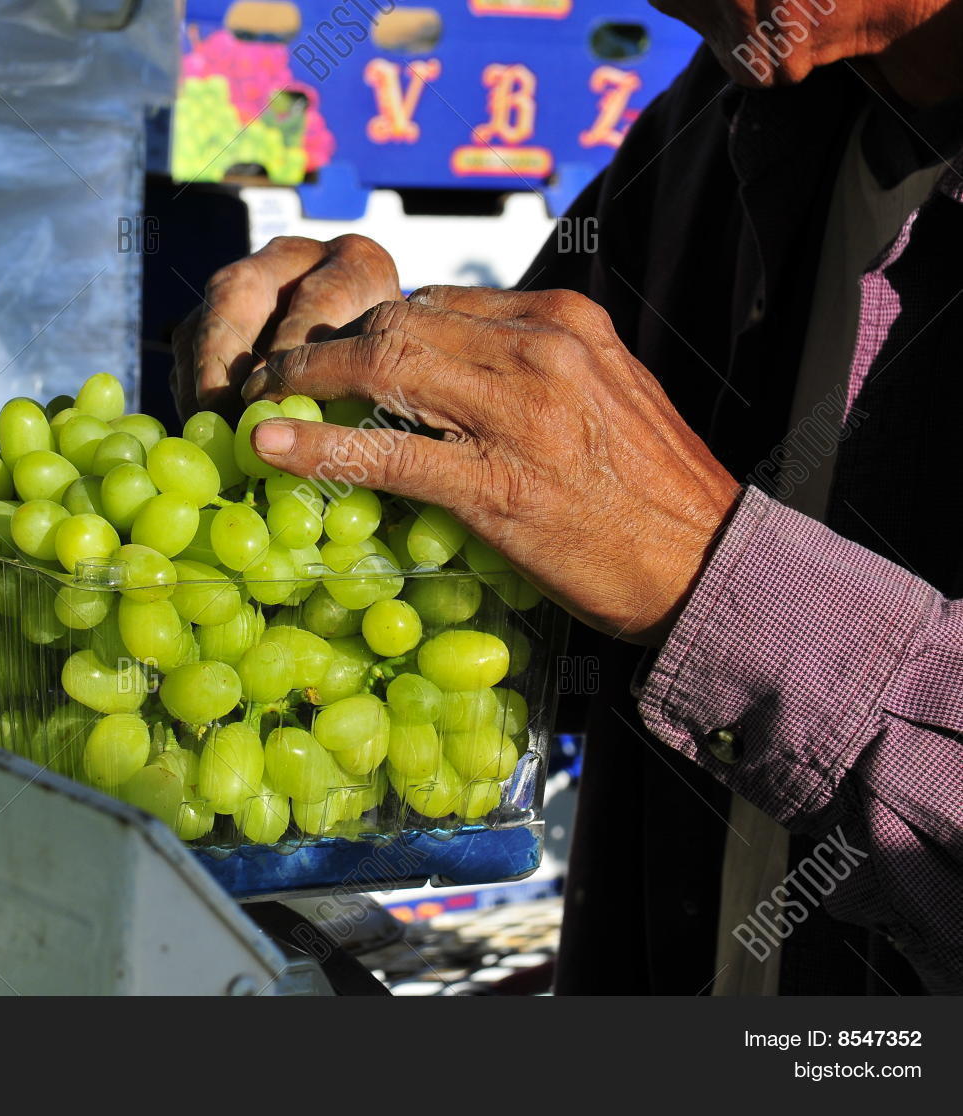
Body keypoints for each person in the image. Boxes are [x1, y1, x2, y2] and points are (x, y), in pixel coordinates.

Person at [170, 0, 963, 994]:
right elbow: (515, 568)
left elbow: (652, 546)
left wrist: (712, 578)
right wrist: (373, 337)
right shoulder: (711, 131)